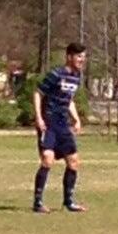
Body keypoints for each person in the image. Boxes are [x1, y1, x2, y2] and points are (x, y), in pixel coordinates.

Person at [33, 42, 86, 213]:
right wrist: (39, 117)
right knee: (47, 159)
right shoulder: (56, 74)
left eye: (84, 57)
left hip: (63, 124)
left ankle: (69, 201)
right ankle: (38, 202)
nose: (82, 60)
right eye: (79, 56)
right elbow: (38, 93)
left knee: (73, 161)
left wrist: (76, 119)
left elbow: (69, 100)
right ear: (69, 57)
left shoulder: (76, 77)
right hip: (49, 122)